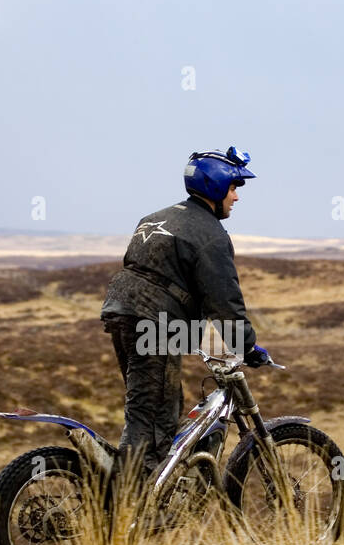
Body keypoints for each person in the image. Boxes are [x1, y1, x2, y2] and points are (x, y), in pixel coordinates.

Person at [100, 146, 270, 484]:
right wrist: (248, 347)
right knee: (152, 420)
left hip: (121, 313)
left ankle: (128, 491)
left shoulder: (155, 218)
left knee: (153, 406)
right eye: (234, 188)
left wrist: (198, 337)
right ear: (216, 186)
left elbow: (158, 278)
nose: (236, 198)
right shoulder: (209, 235)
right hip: (155, 324)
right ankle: (131, 510)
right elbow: (224, 303)